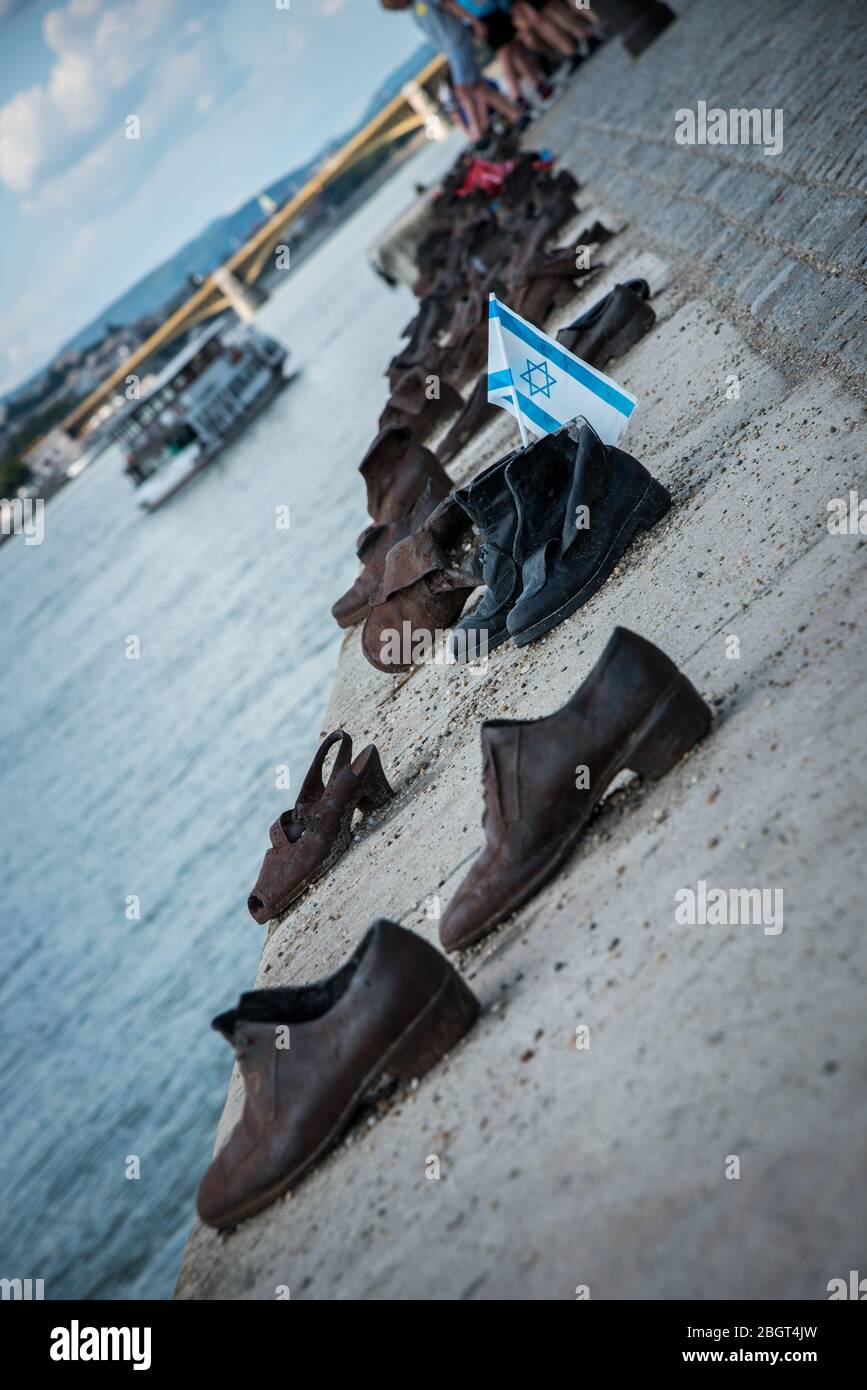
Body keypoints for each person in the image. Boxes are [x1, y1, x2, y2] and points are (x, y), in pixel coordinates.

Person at [380, 0, 521, 142]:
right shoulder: (414, 13)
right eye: (395, 9)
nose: (398, 9)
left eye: (395, 5)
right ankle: (516, 115)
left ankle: (479, 133)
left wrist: (474, 22)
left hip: (458, 41)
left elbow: (449, 4)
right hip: (451, 50)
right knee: (478, 87)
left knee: (461, 89)